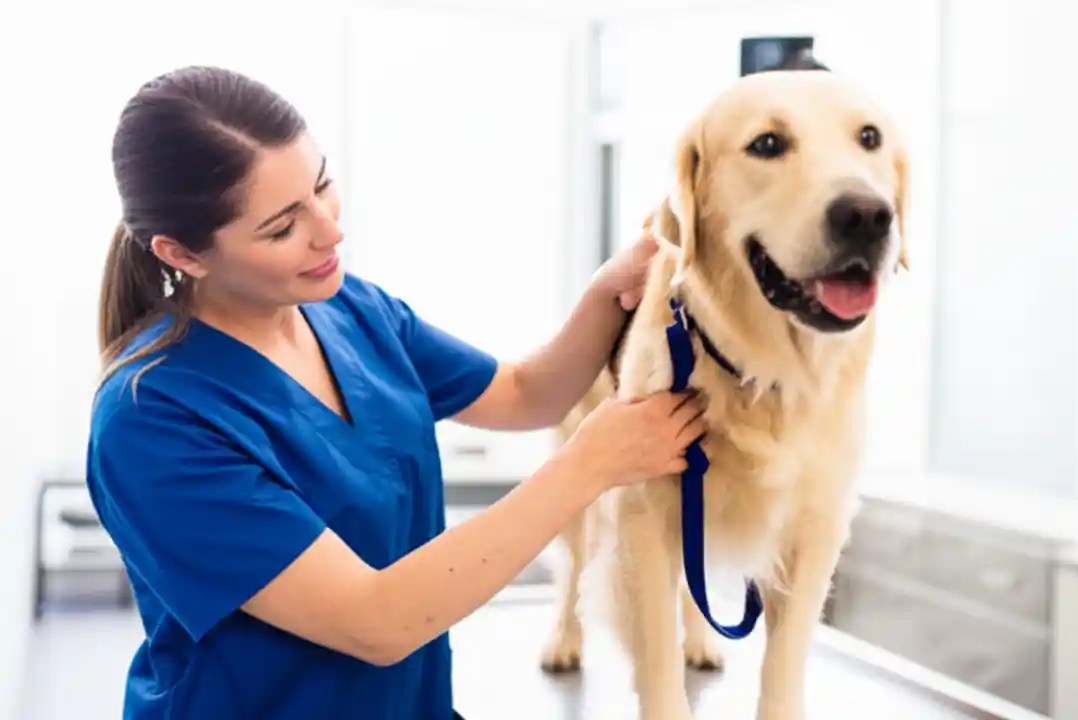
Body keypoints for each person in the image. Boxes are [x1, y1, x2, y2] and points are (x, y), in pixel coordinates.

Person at [86, 65, 707, 720]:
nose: (330, 231)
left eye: (323, 185)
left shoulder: (348, 308)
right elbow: (373, 621)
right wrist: (589, 466)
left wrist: (612, 288)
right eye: (282, 227)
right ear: (183, 254)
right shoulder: (153, 417)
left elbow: (527, 394)